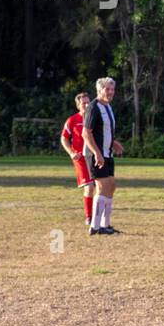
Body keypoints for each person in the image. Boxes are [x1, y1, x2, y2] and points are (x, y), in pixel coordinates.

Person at [83, 77, 124, 235]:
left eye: (112, 89)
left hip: (107, 153)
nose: (110, 92)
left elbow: (105, 131)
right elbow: (86, 133)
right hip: (96, 154)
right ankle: (95, 226)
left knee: (111, 186)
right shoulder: (93, 107)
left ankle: (105, 225)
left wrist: (114, 142)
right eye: (107, 89)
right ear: (99, 90)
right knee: (102, 187)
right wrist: (97, 153)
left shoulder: (108, 106)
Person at [61, 91, 96, 226]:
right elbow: (64, 138)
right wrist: (71, 152)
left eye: (88, 102)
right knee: (89, 186)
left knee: (99, 186)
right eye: (83, 103)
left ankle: (98, 215)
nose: (87, 105)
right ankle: (89, 217)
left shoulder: (94, 119)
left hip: (94, 156)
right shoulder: (72, 120)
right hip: (80, 158)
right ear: (78, 105)